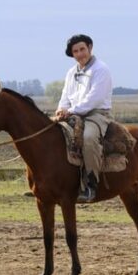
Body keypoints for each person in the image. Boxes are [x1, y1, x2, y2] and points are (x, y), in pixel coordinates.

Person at [55, 34, 113, 202]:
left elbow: (94, 98)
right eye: (75, 51)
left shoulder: (101, 69)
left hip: (97, 114)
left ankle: (91, 185)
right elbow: (65, 95)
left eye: (82, 49)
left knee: (88, 138)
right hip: (73, 113)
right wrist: (61, 110)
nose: (80, 54)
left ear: (90, 47)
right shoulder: (71, 73)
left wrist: (71, 111)